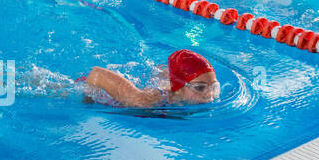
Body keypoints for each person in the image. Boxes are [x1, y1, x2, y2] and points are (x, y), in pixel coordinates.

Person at [83, 50, 220, 108]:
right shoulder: (145, 102)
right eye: (200, 87)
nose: (210, 95)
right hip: (92, 88)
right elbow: (97, 74)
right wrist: (88, 97)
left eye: (214, 87)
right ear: (178, 89)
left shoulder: (185, 92)